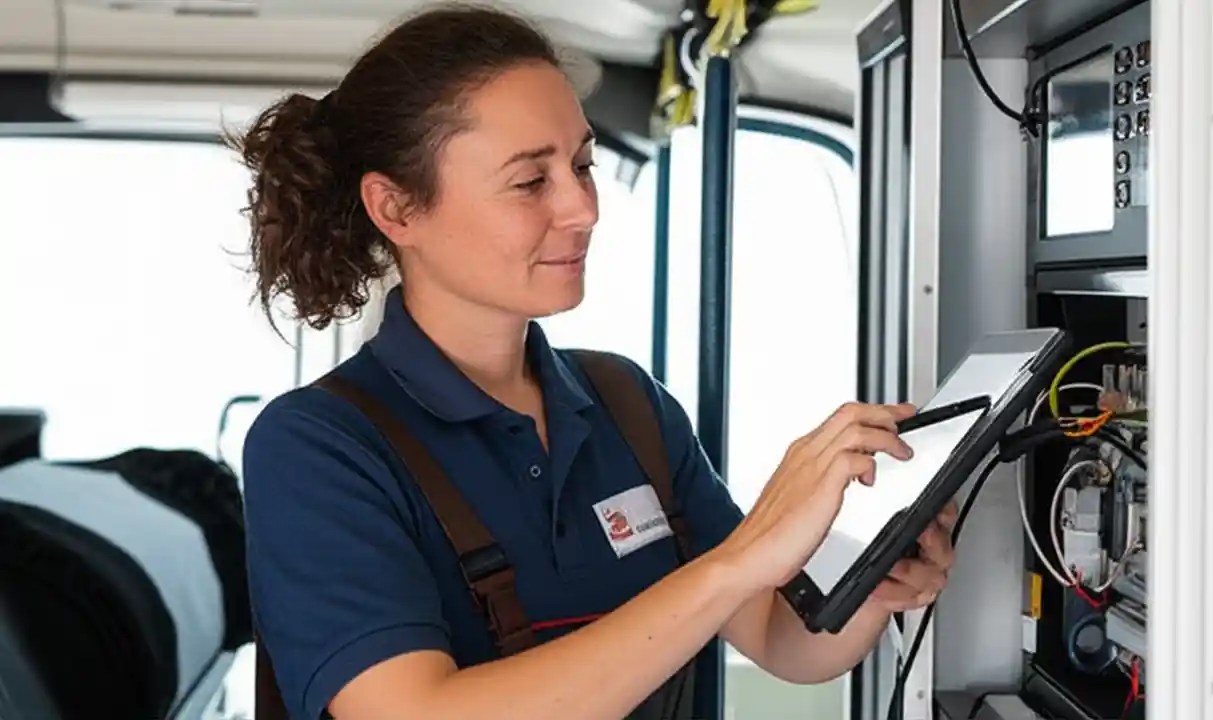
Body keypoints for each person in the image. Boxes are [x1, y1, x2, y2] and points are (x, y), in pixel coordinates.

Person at [234, 5, 957, 720]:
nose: (583, 207)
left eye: (582, 164)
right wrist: (739, 560)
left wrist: (875, 580)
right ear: (396, 210)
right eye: (530, 182)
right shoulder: (316, 447)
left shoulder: (627, 404)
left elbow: (778, 636)